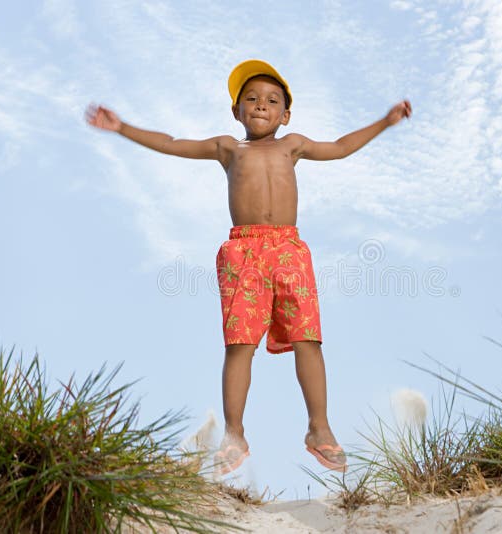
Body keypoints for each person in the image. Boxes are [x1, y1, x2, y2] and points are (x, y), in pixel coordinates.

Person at [85, 59, 411, 475]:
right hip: (245, 251)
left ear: (285, 114)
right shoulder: (228, 148)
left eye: (272, 100)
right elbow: (171, 142)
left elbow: (342, 146)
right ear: (236, 111)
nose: (261, 106)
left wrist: (385, 121)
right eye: (251, 99)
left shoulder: (292, 144)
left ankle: (319, 427)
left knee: (308, 338)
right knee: (239, 343)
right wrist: (122, 127)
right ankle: (234, 432)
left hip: (290, 251)